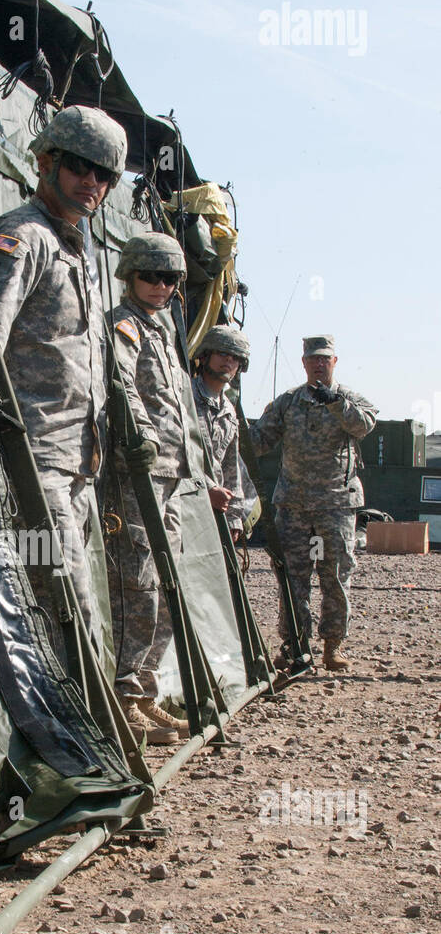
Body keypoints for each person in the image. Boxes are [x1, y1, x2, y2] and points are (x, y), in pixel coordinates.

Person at [0, 105, 127, 650]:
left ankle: (86, 723)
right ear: (46, 162)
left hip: (78, 463)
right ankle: (79, 732)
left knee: (68, 604)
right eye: (79, 166)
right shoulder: (23, 238)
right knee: (65, 605)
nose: (91, 182)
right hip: (33, 461)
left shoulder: (76, 251)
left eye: (104, 174)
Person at [107, 232, 197, 745]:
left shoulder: (162, 332)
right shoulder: (123, 326)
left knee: (167, 582)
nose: (160, 286)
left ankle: (144, 693)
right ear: (129, 275)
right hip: (137, 471)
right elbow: (123, 387)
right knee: (137, 584)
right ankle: (121, 699)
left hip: (170, 474)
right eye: (151, 276)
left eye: (170, 279)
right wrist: (141, 439)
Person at [248, 334, 377, 671]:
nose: (319, 364)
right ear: (304, 363)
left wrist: (334, 401)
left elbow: (363, 426)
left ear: (334, 362)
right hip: (294, 507)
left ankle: (333, 646)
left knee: (334, 576)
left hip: (335, 507)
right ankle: (294, 645)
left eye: (325, 359)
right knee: (292, 578)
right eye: (313, 359)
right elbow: (259, 440)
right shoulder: (288, 403)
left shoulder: (349, 399)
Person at [192, 324, 250, 540]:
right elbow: (176, 453)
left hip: (214, 509)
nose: (228, 361)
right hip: (182, 502)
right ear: (205, 356)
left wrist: (234, 515)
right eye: (222, 353)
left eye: (235, 358)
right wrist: (207, 489)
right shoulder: (183, 396)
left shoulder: (228, 411)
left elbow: (231, 466)